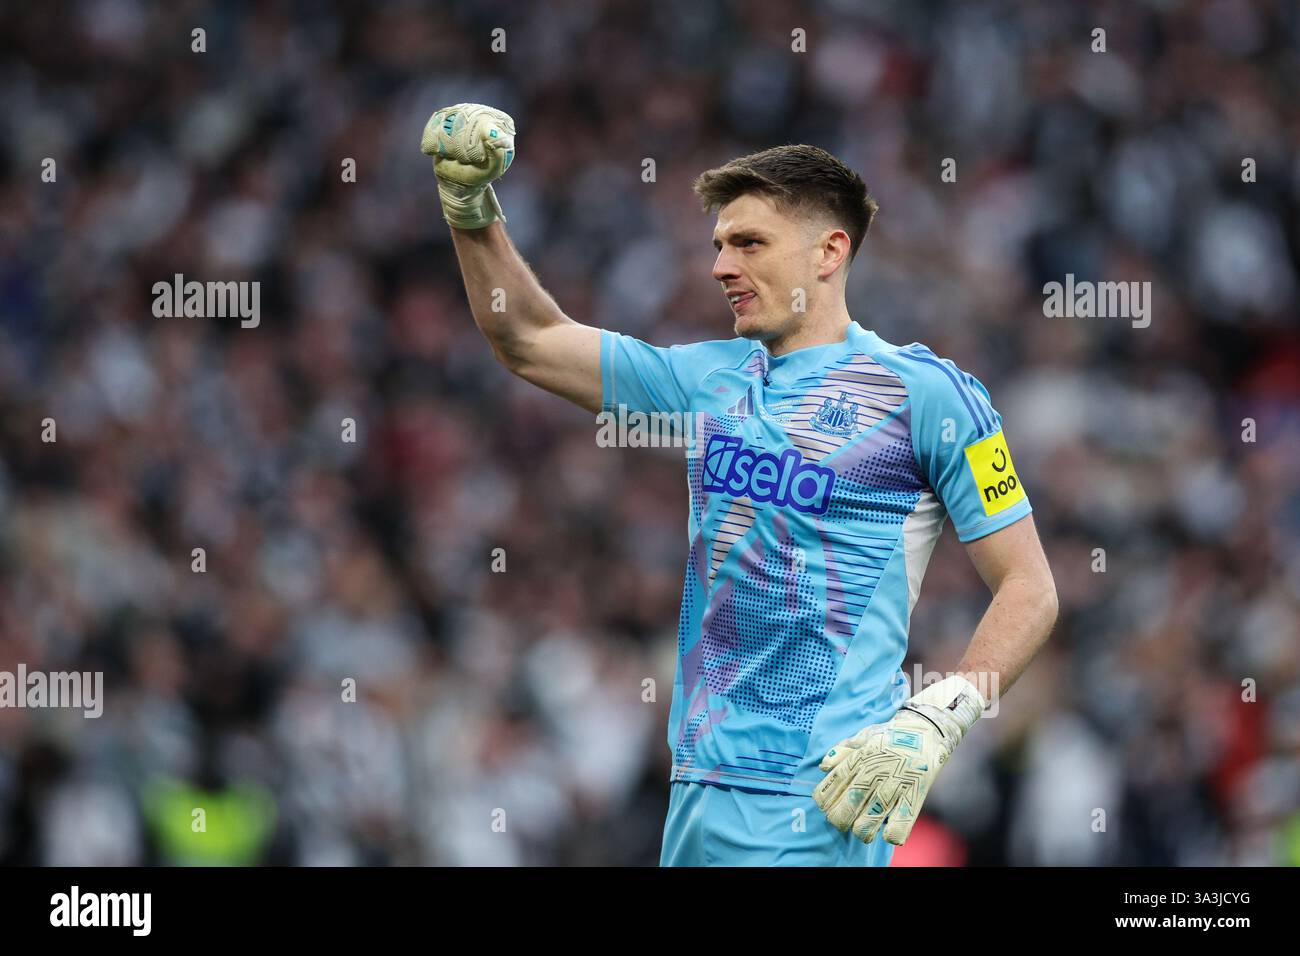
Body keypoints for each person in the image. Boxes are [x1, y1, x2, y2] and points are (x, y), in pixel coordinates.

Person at [422, 103, 1059, 866]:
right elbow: (528, 339)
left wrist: (936, 718)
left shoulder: (929, 397)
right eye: (720, 244)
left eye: (749, 243)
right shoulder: (707, 380)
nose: (722, 265)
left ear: (829, 252)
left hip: (816, 797)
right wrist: (470, 208)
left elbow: (1030, 588)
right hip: (696, 790)